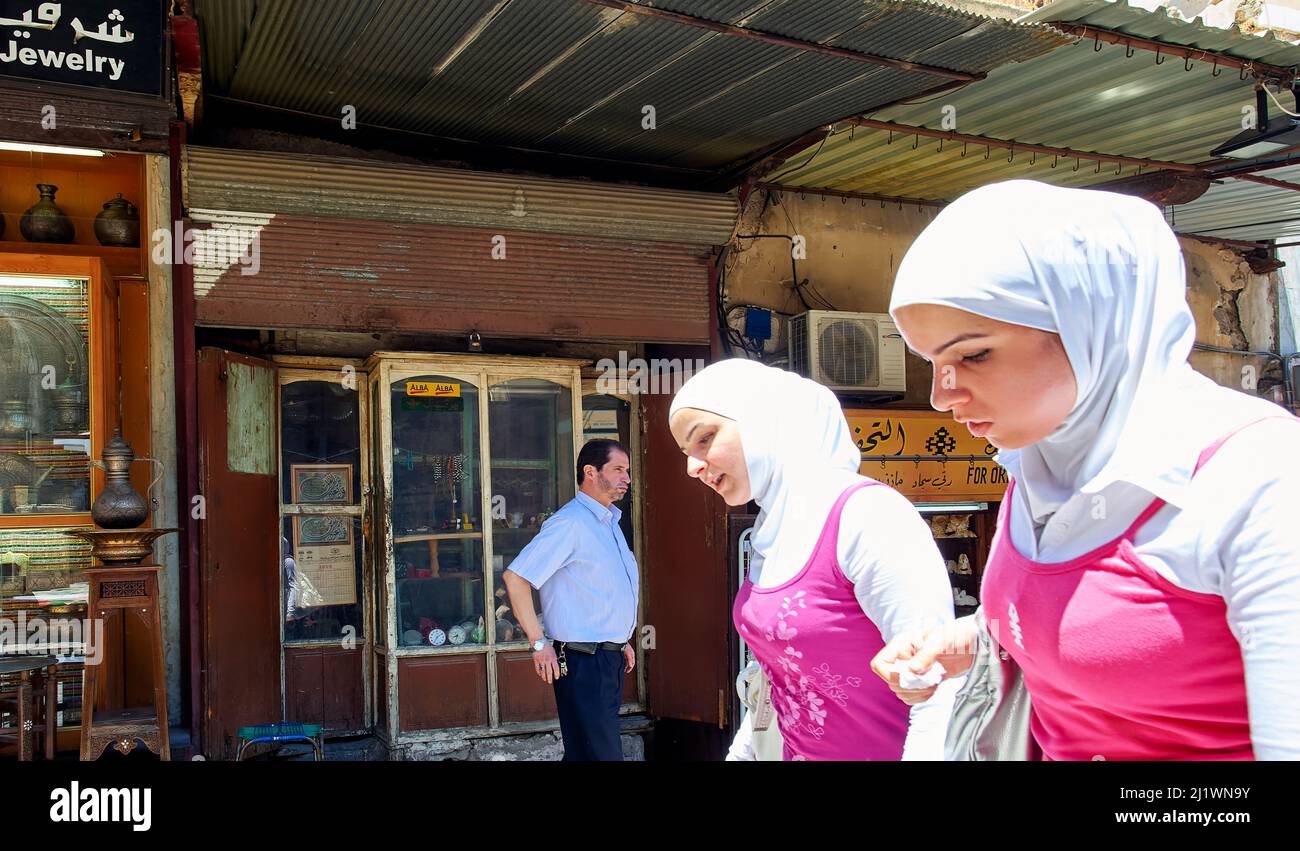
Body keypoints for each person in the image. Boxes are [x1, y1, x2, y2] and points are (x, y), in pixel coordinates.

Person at [873, 179, 1300, 760]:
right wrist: (972, 641)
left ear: (1090, 322)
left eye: (973, 354)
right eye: (932, 362)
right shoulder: (1039, 468)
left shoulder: (1262, 481)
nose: (942, 396)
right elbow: (1093, 622)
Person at [669, 359, 958, 761]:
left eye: (705, 439)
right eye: (687, 450)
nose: (692, 467)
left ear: (766, 422)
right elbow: (777, 685)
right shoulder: (772, 537)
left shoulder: (867, 517)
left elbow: (938, 684)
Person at [503, 439, 638, 761]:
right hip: (583, 660)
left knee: (587, 753)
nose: (627, 478)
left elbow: (598, 588)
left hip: (606, 656)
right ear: (590, 472)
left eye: (628, 471)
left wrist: (621, 637)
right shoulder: (570, 523)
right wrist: (538, 643)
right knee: (601, 755)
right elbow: (516, 578)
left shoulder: (608, 522)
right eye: (618, 469)